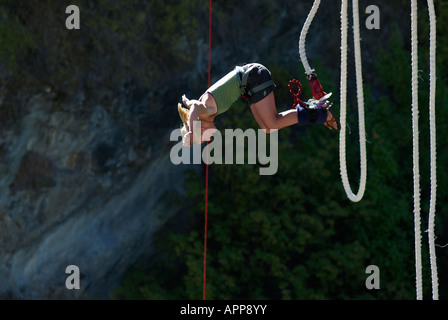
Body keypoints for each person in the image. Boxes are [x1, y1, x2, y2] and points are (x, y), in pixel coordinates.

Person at [178, 63, 339, 146]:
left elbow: (192, 107)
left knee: (272, 122)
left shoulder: (204, 110)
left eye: (204, 136)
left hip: (253, 76)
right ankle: (314, 112)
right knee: (268, 129)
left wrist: (192, 132)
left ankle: (322, 114)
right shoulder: (207, 113)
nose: (209, 137)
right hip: (249, 86)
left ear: (201, 126)